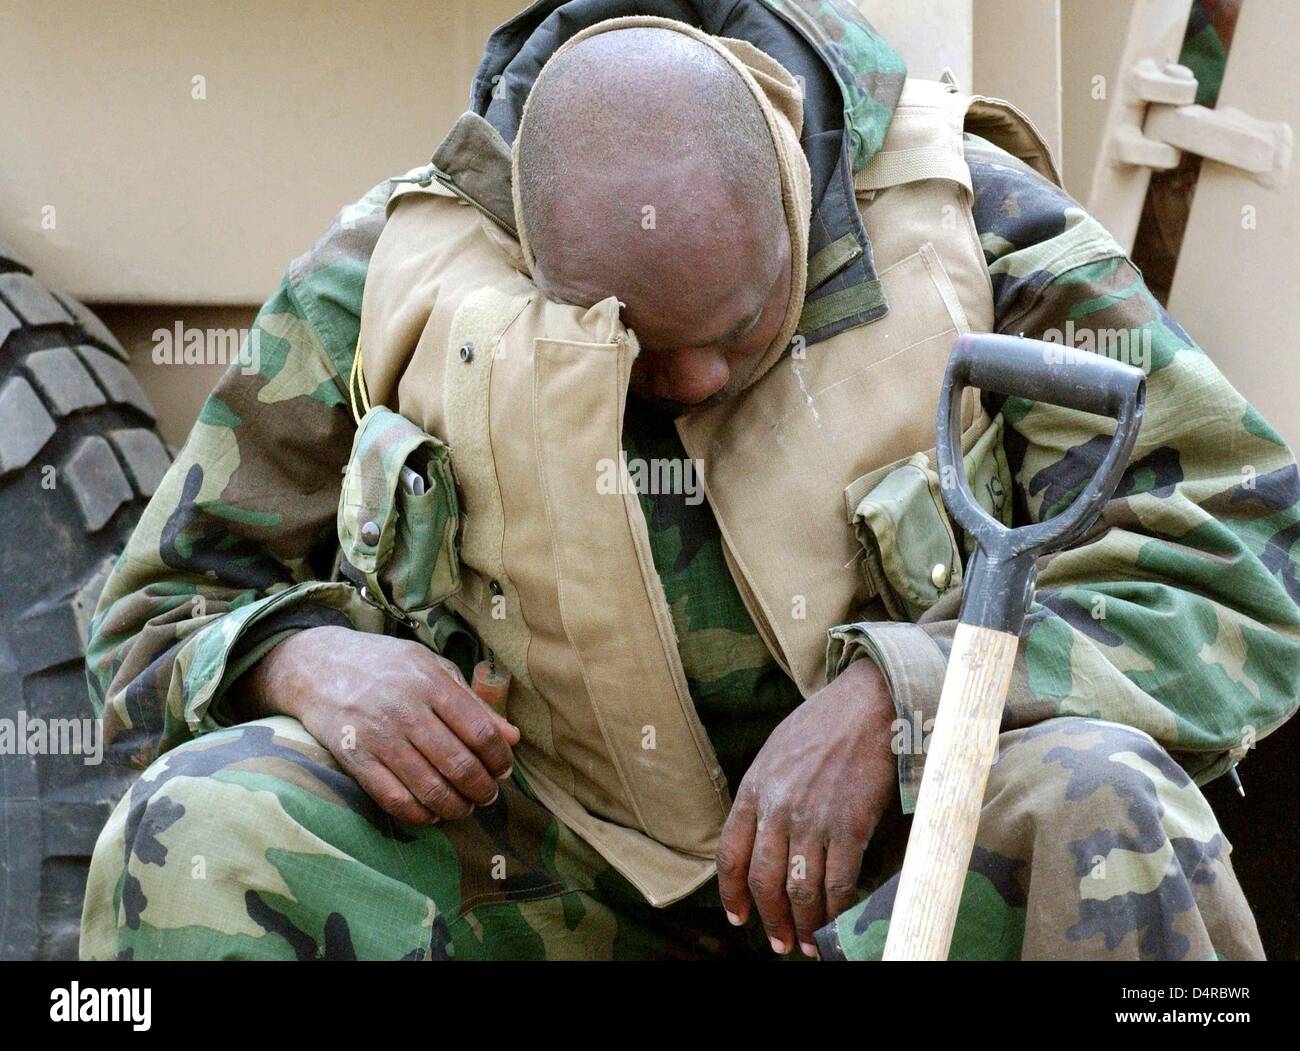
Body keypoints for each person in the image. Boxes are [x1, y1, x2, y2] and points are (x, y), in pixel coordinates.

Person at [80, 1, 1296, 962]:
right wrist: (299, 659)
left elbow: (1244, 565)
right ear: (534, 254)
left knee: (1106, 798)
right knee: (201, 826)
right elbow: (152, 610)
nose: (701, 379)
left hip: (895, 868)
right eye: (640, 350)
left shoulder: (972, 230)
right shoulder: (398, 278)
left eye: (742, 322)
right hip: (534, 869)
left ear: (793, 209)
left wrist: (903, 699)